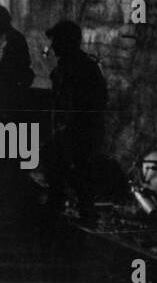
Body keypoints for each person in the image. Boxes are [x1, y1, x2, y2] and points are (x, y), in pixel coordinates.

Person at [42, 19, 108, 226]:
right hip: (71, 131)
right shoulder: (67, 68)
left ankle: (79, 211)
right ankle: (65, 205)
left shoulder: (81, 69)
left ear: (68, 42)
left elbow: (88, 104)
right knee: (63, 165)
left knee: (76, 169)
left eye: (57, 41)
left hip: (80, 131)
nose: (53, 46)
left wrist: (69, 130)